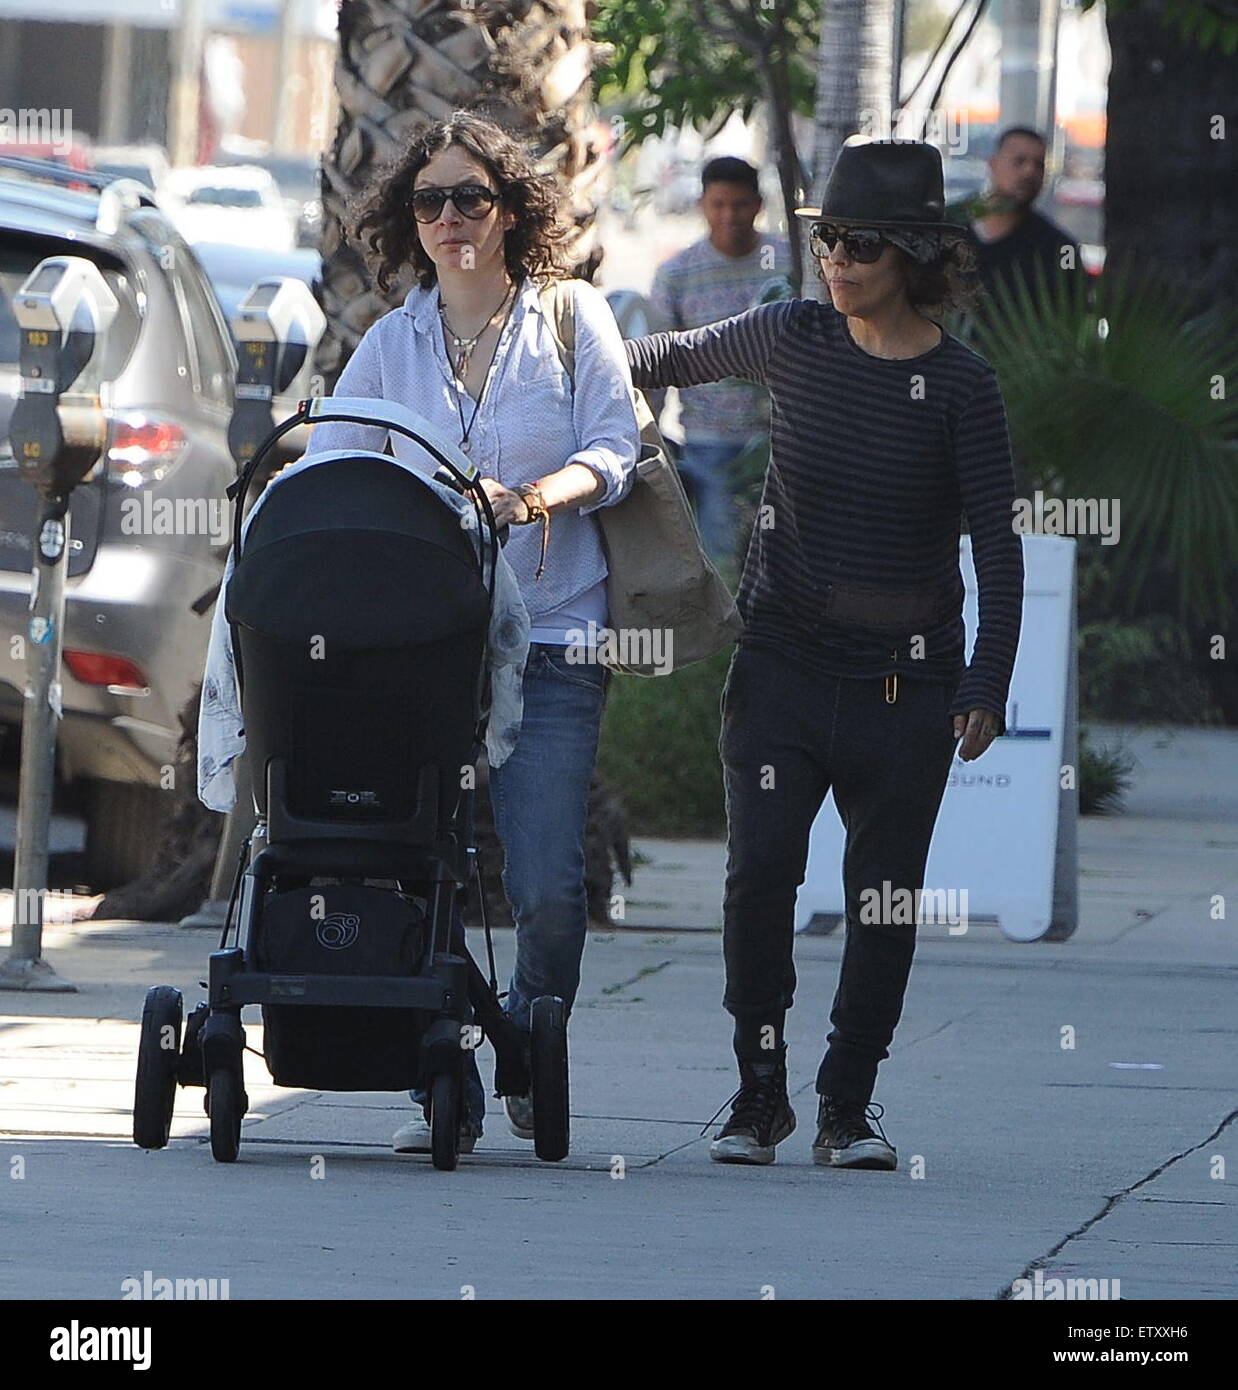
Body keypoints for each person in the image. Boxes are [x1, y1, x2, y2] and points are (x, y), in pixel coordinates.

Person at [625, 138, 1024, 1170]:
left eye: (856, 246)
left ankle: (847, 1101)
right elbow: (652, 360)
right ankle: (758, 1092)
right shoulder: (792, 334)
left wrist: (985, 682)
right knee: (758, 876)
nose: (833, 261)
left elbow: (995, 544)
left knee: (880, 898)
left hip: (907, 685)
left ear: (911, 257)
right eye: (826, 241)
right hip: (781, 668)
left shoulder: (962, 386)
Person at [304, 110, 641, 1153]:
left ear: (509, 211)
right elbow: (332, 464)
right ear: (411, 220)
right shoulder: (389, 343)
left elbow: (616, 447)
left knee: (544, 884)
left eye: (470, 198)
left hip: (549, 635)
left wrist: (532, 498)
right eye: (429, 201)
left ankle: (531, 1043)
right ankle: (435, 1070)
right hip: (419, 652)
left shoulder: (571, 319)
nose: (449, 218)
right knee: (418, 867)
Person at [645, 156, 792, 564]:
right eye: (718, 204)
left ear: (758, 204)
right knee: (724, 559)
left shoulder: (788, 262)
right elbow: (658, 362)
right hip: (711, 442)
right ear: (702, 205)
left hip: (784, 437)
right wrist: (646, 433)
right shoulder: (677, 273)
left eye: (740, 204)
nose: (729, 215)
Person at [945, 126, 1081, 307]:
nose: (1029, 172)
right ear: (993, 164)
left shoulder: (1062, 250)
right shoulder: (946, 226)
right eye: (1019, 161)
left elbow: (1074, 307)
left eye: (1039, 165)